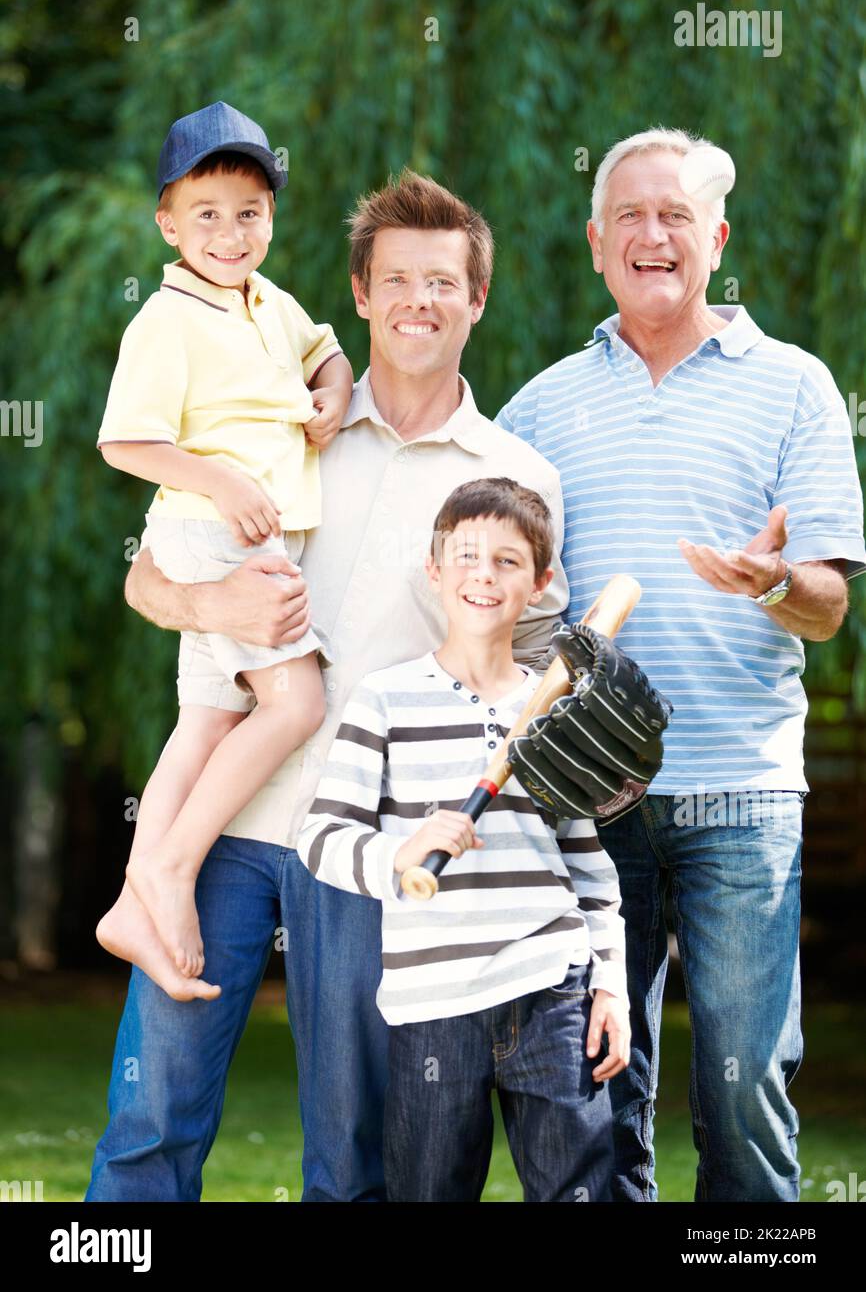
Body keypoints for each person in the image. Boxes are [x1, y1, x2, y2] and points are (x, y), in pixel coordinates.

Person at [86, 169, 572, 1202]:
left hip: (369, 847)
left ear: (476, 299)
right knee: (152, 1119)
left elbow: (526, 677)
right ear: (357, 294)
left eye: (442, 282)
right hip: (228, 821)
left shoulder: (515, 477)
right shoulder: (282, 428)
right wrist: (209, 609)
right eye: (395, 279)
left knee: (351, 1151)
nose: (417, 301)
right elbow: (150, 570)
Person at [496, 127, 866, 1202]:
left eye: (674, 215)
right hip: (586, 799)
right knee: (599, 1087)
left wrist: (766, 582)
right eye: (628, 216)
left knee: (745, 1085)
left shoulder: (793, 387)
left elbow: (830, 608)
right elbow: (501, 601)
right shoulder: (538, 408)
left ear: (714, 234)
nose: (650, 235)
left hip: (740, 794)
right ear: (593, 239)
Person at [297, 477, 633, 1202]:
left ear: (541, 583)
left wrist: (610, 983)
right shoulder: (386, 698)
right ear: (436, 570)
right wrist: (401, 850)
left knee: (581, 1192)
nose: (485, 575)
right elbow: (321, 838)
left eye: (509, 562)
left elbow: (587, 866)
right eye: (468, 556)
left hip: (552, 984)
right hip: (433, 1002)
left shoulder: (554, 711)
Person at [95, 102, 354, 995]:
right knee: (294, 704)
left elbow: (327, 355)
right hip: (217, 534)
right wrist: (223, 480)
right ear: (168, 223)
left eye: (250, 211)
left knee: (207, 719)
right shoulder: (165, 321)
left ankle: (134, 896)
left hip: (239, 533)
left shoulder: (270, 304)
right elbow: (126, 442)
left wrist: (333, 392)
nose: (230, 231)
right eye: (206, 213)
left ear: (272, 220)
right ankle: (170, 867)